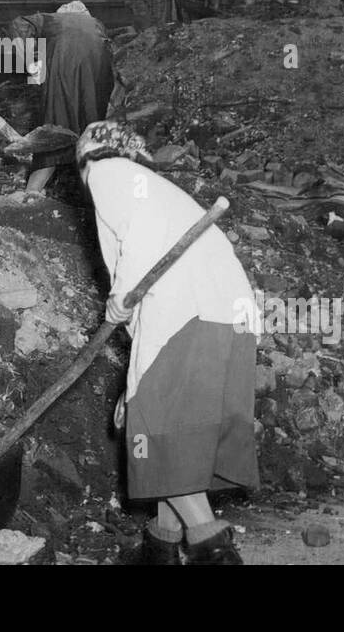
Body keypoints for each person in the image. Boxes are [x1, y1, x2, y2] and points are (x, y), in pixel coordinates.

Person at [76, 121, 259, 565]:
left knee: (157, 431)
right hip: (226, 313)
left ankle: (210, 544)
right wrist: (133, 384)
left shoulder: (106, 172)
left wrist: (118, 297)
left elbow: (139, 241)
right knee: (174, 428)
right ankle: (160, 545)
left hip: (188, 313)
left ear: (87, 156)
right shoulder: (154, 186)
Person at [6, 1, 114, 196]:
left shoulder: (53, 20)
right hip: (98, 74)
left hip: (65, 70)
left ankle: (31, 192)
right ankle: (100, 196)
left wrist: (30, 64)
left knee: (55, 130)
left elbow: (18, 23)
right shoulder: (97, 24)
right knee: (90, 130)